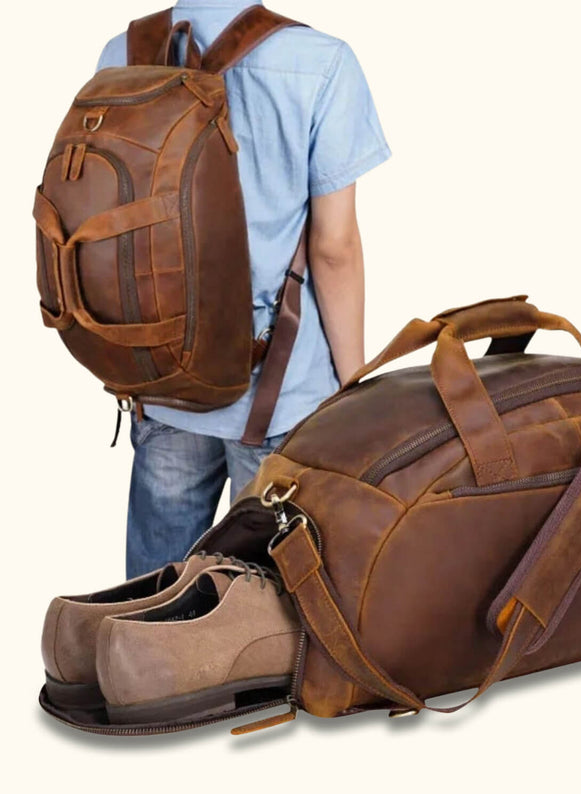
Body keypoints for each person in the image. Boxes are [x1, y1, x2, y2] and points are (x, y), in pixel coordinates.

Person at [96, 0, 391, 578]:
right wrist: (354, 387)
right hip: (282, 388)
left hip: (162, 376)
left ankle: (146, 641)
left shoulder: (124, 53)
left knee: (154, 596)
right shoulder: (320, 62)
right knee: (265, 605)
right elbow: (333, 249)